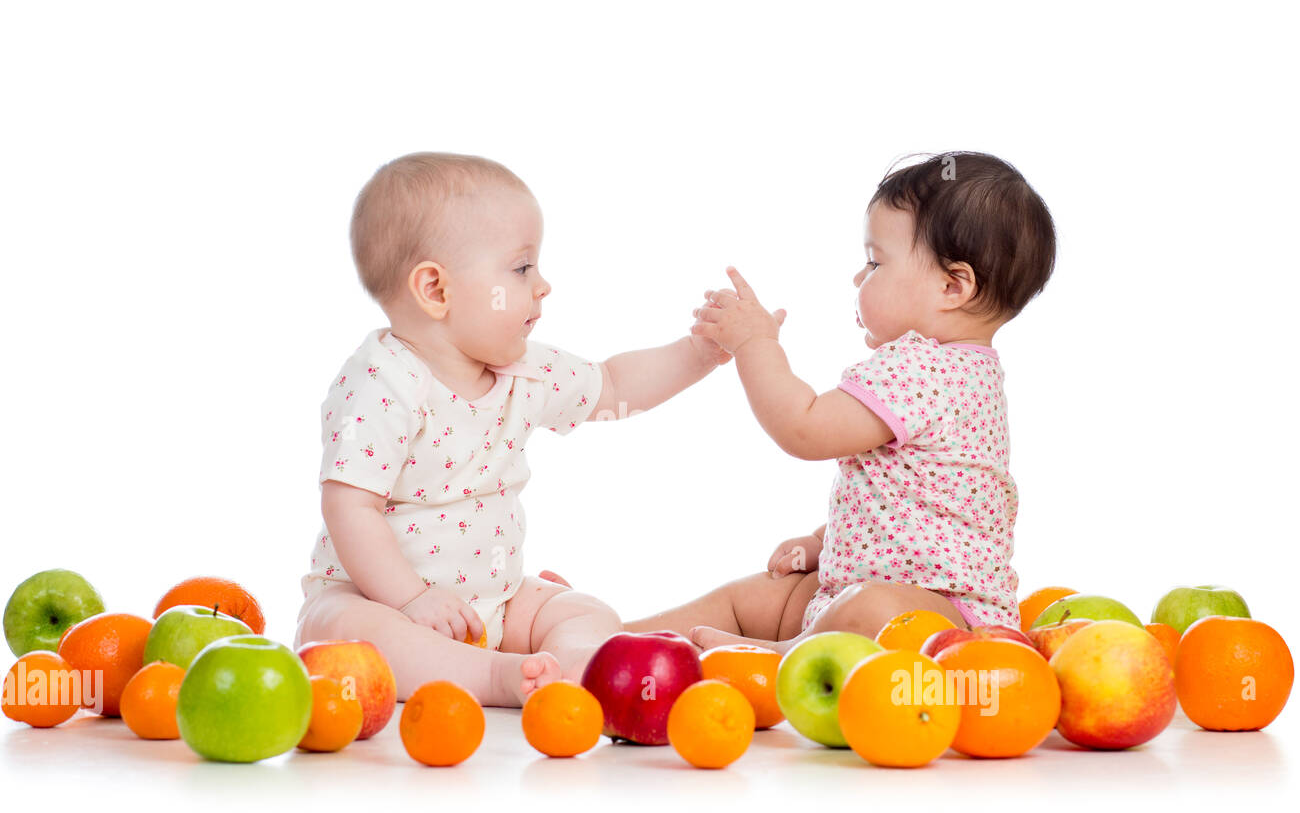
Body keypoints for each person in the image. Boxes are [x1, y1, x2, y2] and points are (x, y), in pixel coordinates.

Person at [295, 152, 732, 705]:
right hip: (380, 602)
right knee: (342, 628)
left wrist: (698, 353)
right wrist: (410, 599)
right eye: (522, 268)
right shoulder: (383, 383)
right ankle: (497, 679)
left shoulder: (525, 369)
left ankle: (569, 666)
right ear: (435, 289)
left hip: (493, 603)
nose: (543, 285)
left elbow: (614, 387)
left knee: (584, 610)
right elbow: (349, 507)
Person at [626, 151, 1056, 654]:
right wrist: (824, 540)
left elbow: (805, 428)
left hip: (946, 625)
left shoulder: (923, 368)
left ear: (951, 286)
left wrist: (756, 345)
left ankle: (771, 659)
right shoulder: (967, 372)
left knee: (871, 607)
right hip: (864, 595)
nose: (859, 278)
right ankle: (617, 634)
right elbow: (908, 501)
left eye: (875, 262)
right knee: (758, 597)